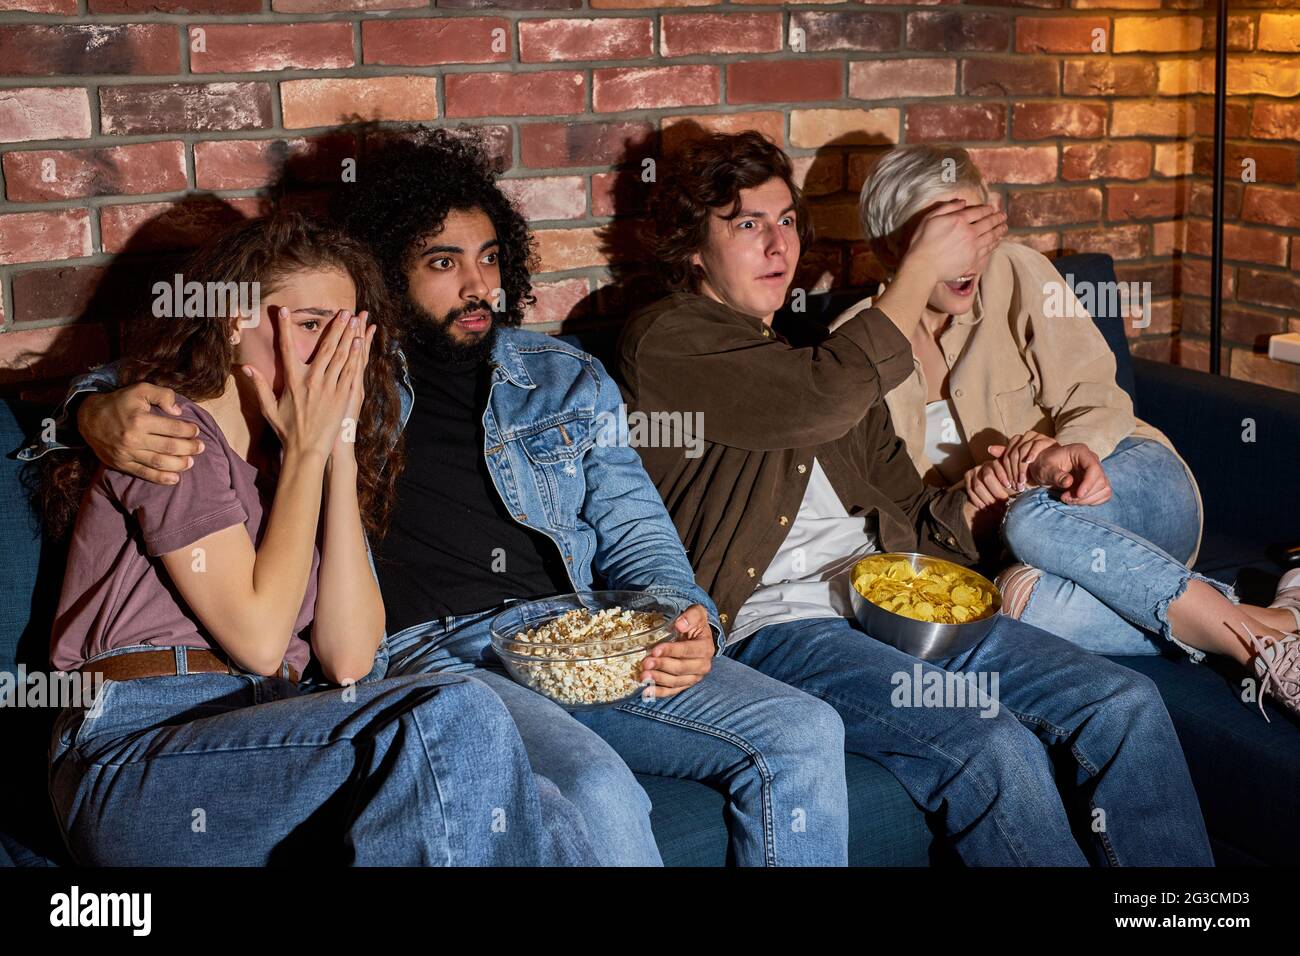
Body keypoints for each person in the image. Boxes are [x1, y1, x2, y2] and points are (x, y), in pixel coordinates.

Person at [33, 131, 850, 867]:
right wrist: (91, 406)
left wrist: (682, 614)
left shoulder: (533, 383)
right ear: (393, 273)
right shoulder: (238, 417)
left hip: (562, 637)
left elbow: (631, 528)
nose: (478, 285)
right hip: (388, 669)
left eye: (491, 258)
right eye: (442, 261)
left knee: (805, 730)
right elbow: (173, 391)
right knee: (547, 769)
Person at [617, 129, 1216, 865]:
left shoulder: (820, 354)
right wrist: (923, 263)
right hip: (782, 625)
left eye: (785, 222)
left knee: (1123, 705)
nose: (779, 245)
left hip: (900, 598)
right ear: (693, 249)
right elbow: (815, 401)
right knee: (990, 747)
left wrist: (978, 499)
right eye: (746, 224)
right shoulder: (667, 341)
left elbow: (918, 520)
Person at [38, 212, 594, 866]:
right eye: (308, 326)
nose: (331, 355)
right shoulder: (167, 431)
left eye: (346, 332)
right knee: (453, 713)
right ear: (232, 320)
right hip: (142, 747)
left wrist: (337, 457)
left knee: (549, 809)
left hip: (276, 733)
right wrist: (307, 451)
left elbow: (353, 659)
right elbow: (260, 637)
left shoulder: (288, 462)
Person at [837, 144, 1299, 718]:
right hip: (1034, 562)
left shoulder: (1018, 270)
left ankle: (1264, 651)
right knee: (1011, 607)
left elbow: (1100, 397)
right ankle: (1275, 621)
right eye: (945, 233)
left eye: (977, 227)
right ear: (891, 246)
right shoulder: (853, 348)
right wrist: (965, 502)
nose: (969, 254)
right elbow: (885, 511)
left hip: (1130, 490)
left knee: (1030, 515)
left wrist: (1059, 452)